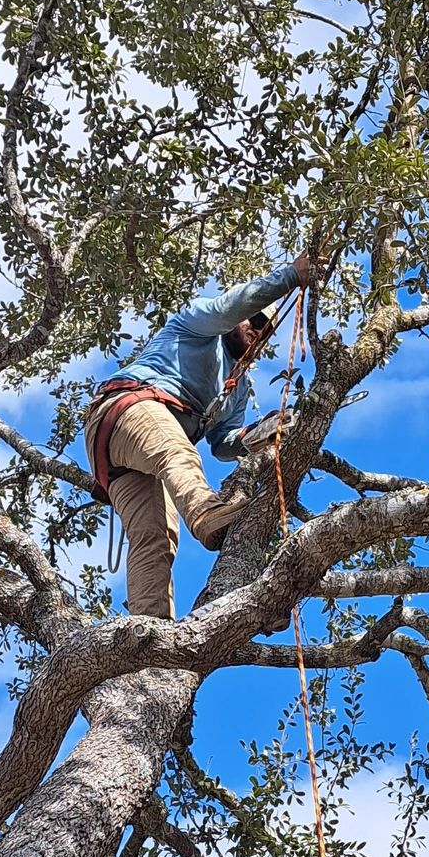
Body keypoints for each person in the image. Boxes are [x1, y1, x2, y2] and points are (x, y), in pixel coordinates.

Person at [84, 250, 312, 617]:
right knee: (179, 456)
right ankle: (207, 514)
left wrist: (258, 433)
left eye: (266, 330)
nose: (257, 329)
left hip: (123, 459)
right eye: (253, 320)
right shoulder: (198, 325)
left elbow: (222, 443)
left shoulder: (238, 386)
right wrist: (291, 277)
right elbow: (230, 307)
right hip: (129, 407)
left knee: (156, 538)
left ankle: (148, 631)